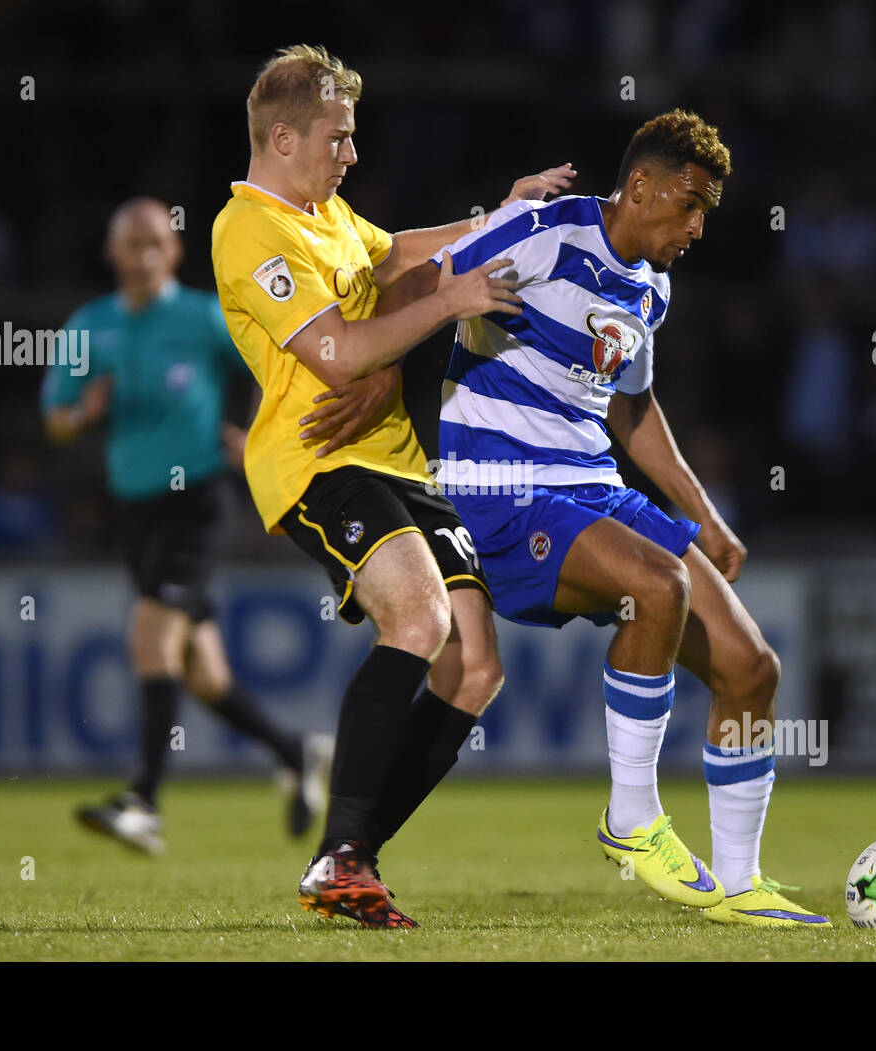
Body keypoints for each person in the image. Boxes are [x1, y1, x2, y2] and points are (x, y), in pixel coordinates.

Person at [415, 109, 829, 926]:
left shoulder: (651, 287)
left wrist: (703, 512)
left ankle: (739, 883)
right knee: (657, 584)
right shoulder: (540, 233)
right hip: (501, 488)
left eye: (708, 209)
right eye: (689, 203)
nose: (699, 226)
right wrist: (350, 384)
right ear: (639, 186)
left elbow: (631, 410)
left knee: (753, 668)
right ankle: (632, 820)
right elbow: (419, 287)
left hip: (594, 488)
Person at [211, 44, 570, 927]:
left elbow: (397, 253)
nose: (352, 154)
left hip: (401, 457)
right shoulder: (251, 228)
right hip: (318, 462)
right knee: (419, 618)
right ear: (285, 136)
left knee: (476, 662)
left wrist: (501, 216)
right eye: (340, 137)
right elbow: (336, 352)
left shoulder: (325, 211)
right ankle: (340, 857)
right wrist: (454, 302)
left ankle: (354, 855)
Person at [42, 197, 335, 855]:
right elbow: (55, 417)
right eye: (131, 244)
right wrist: (83, 413)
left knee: (150, 638)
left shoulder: (202, 317)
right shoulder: (90, 327)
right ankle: (295, 749)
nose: (144, 255)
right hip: (135, 511)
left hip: (196, 503)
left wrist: (258, 435)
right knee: (203, 672)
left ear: (173, 252)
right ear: (112, 253)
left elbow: (276, 360)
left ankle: (143, 801)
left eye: (155, 243)